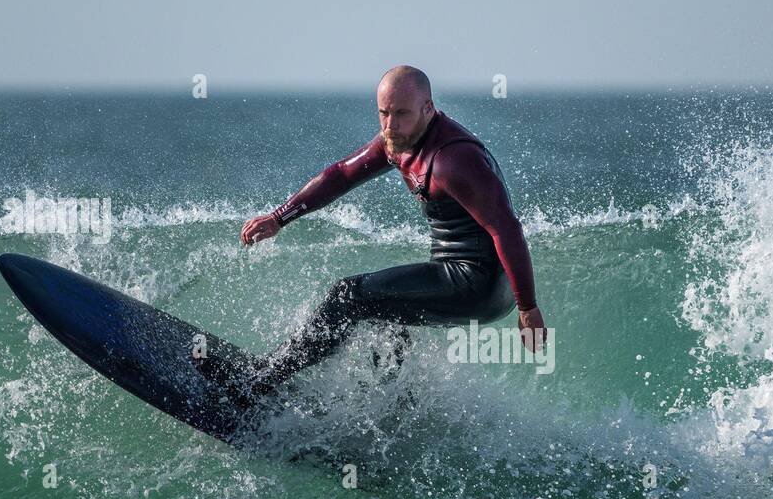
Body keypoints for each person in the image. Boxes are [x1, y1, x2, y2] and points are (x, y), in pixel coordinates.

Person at [197, 64, 546, 406]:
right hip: (455, 269)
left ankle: (260, 381)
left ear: (429, 108)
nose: (390, 125)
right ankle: (392, 406)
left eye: (401, 114)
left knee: (349, 295)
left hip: (479, 283)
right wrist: (278, 218)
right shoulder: (400, 139)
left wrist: (528, 307)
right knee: (383, 308)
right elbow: (342, 175)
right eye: (384, 113)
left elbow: (506, 228)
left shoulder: (454, 160)